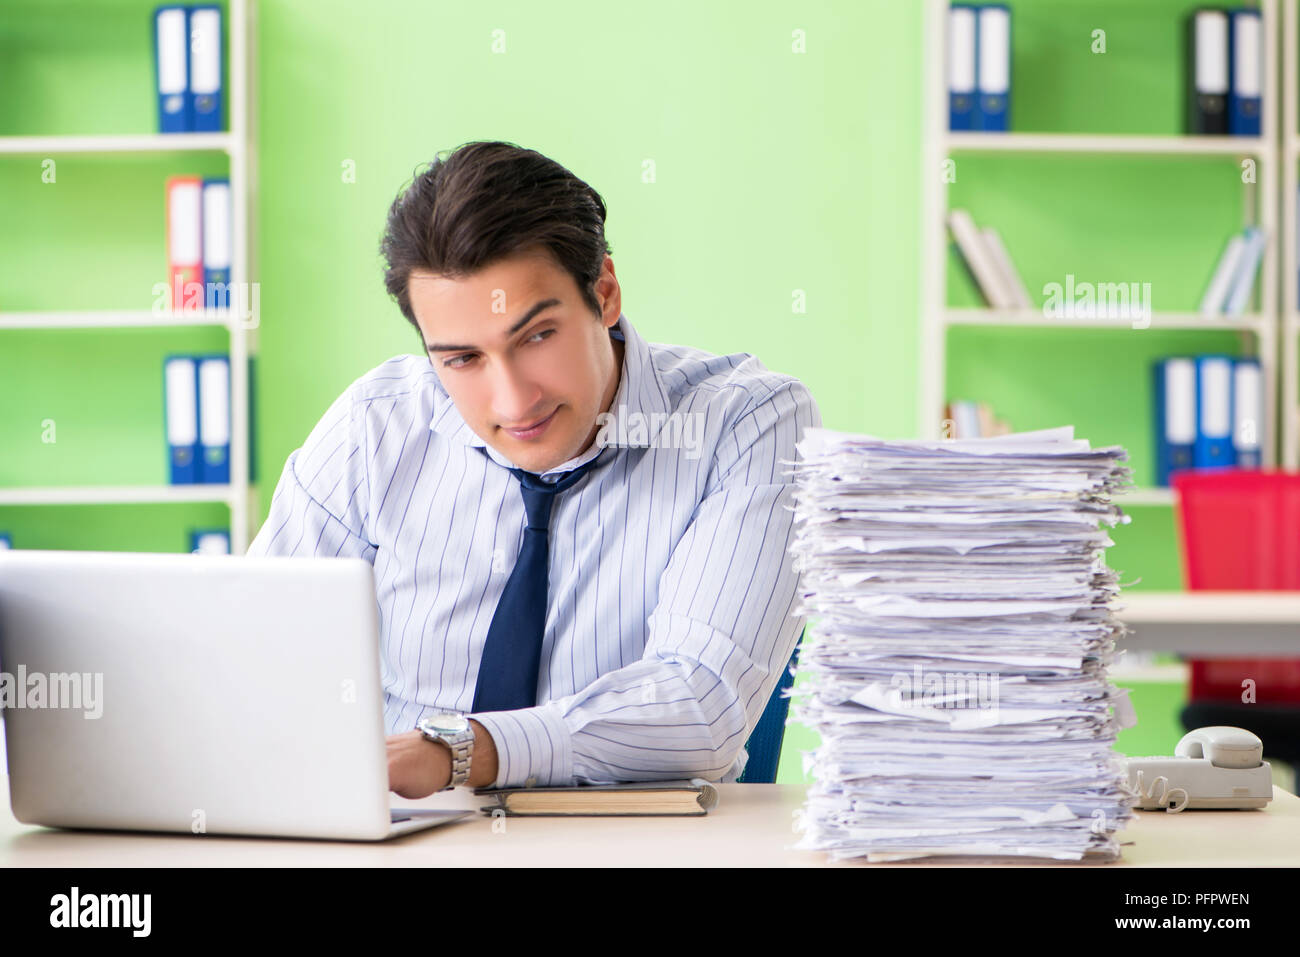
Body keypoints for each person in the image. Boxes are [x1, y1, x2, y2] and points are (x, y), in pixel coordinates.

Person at [247, 141, 821, 798]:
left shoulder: (748, 424)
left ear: (604, 292)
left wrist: (460, 752)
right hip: (401, 834)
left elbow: (701, 704)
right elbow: (256, 652)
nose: (514, 400)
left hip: (629, 849)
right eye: (462, 359)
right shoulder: (376, 426)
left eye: (537, 336)